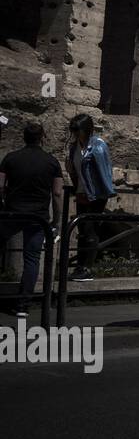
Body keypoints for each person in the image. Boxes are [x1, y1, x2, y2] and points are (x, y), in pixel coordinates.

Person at [0, 122, 63, 317]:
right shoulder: (52, 162)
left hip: (12, 213)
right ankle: (23, 305)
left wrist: (3, 204)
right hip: (38, 217)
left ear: (24, 137)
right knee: (32, 259)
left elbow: (0, 186)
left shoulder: (10, 159)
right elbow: (57, 193)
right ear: (42, 137)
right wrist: (57, 221)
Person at [65, 114, 115, 282]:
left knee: (90, 230)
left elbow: (105, 170)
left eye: (76, 130)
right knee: (81, 230)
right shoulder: (74, 147)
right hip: (81, 192)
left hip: (95, 195)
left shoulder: (98, 146)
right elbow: (75, 171)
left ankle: (87, 268)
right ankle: (80, 267)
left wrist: (106, 191)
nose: (74, 134)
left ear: (85, 129)